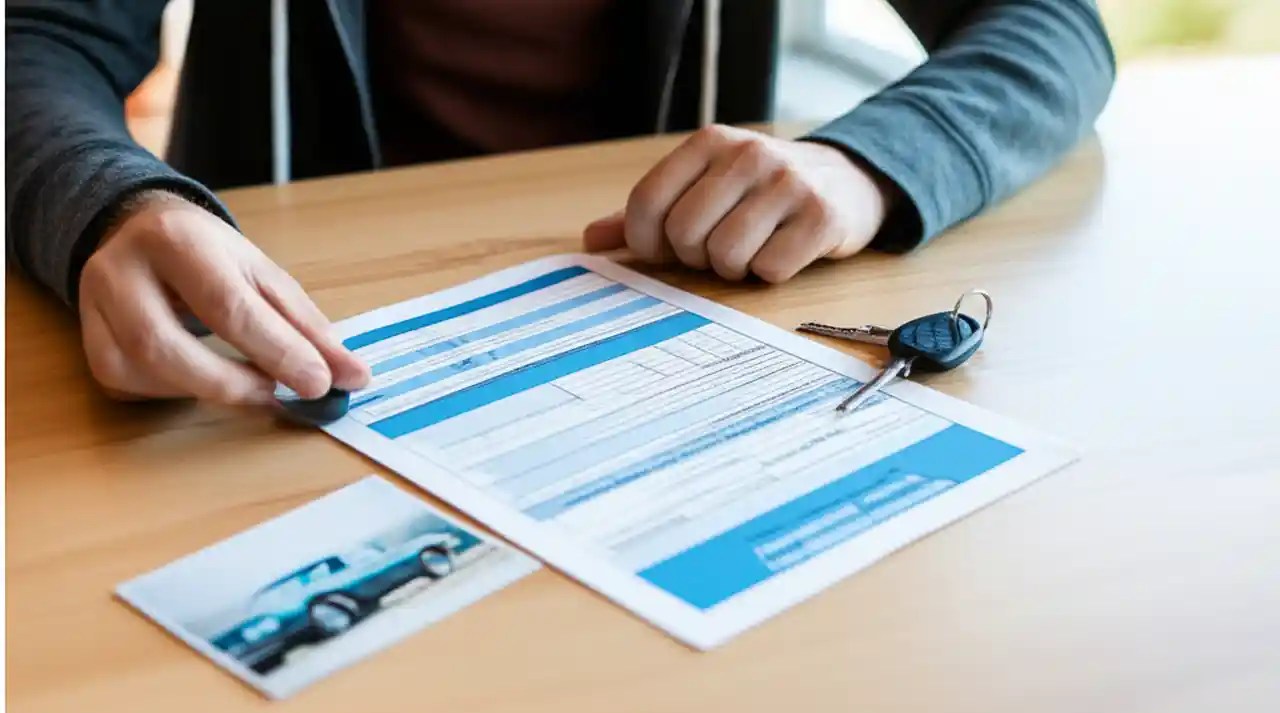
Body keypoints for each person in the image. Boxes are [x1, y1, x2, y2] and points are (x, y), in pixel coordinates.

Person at [5, 1, 1114, 405]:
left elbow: (1051, 25)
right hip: (274, 319)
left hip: (665, 332)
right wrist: (111, 200)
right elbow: (36, 37)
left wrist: (870, 162)